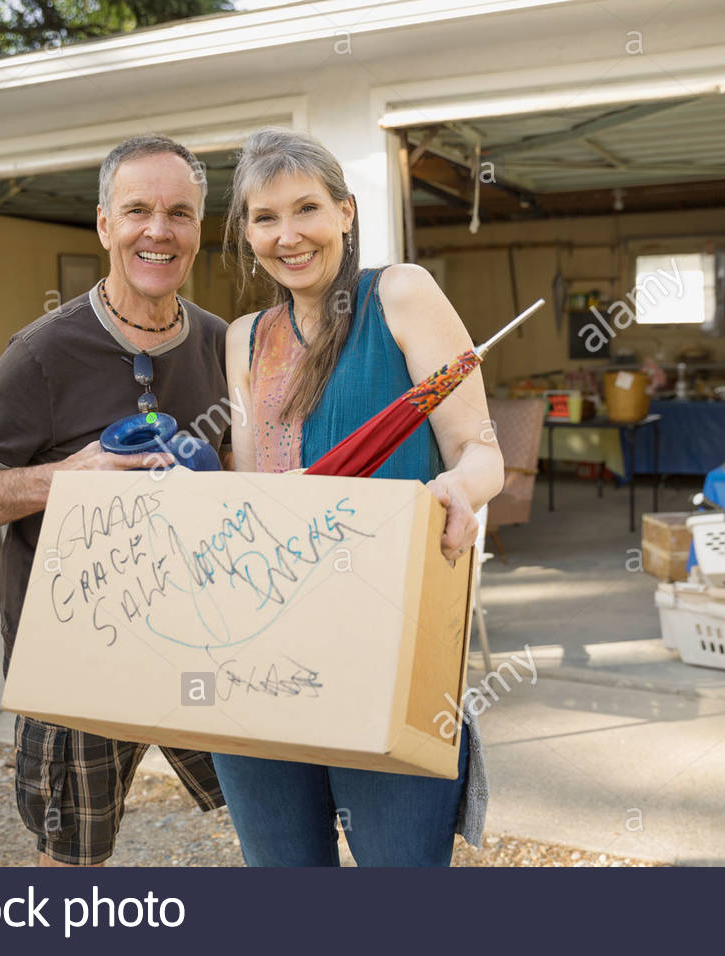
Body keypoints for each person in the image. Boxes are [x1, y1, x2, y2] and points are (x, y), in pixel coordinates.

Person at [0, 134, 231, 867]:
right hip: (76, 657)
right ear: (103, 224)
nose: (159, 230)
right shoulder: (43, 352)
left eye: (179, 213)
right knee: (73, 858)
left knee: (275, 811)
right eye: (138, 211)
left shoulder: (225, 344)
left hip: (203, 642)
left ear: (197, 231)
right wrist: (66, 477)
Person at [216, 127, 504, 867]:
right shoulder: (246, 338)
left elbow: (482, 451)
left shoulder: (401, 295)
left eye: (306, 208)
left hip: (391, 647)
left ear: (346, 212)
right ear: (246, 232)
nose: (288, 235)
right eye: (265, 217)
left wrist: (455, 487)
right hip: (269, 653)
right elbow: (256, 501)